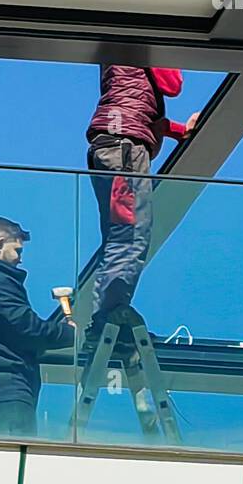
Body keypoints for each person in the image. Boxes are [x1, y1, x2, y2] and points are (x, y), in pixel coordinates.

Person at [84, 66, 199, 342]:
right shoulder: (145, 40)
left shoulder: (121, 51)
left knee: (120, 235)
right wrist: (167, 50)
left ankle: (107, 318)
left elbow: (131, 102)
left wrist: (179, 130)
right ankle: (110, 320)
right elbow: (172, 83)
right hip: (125, 150)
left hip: (111, 145)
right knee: (130, 236)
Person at [0, 215, 74, 437]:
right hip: (7, 394)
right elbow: (26, 328)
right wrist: (68, 334)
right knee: (11, 462)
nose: (20, 259)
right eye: (17, 250)